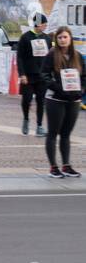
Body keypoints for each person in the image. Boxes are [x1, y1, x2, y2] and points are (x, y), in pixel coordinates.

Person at [43, 26, 84, 179]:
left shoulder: (78, 56)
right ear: (56, 39)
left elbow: (84, 77)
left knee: (66, 134)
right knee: (53, 133)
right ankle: (53, 166)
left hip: (73, 99)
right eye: (59, 37)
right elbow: (45, 75)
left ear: (70, 38)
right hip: (55, 99)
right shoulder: (51, 55)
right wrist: (58, 88)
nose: (62, 40)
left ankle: (66, 165)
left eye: (65, 37)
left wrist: (81, 91)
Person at [17, 13, 53, 136]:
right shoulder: (25, 38)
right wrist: (22, 74)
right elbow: (20, 57)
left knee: (41, 101)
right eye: (44, 24)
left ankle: (39, 126)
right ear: (38, 24)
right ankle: (26, 119)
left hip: (42, 76)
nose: (45, 26)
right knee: (26, 100)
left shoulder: (47, 39)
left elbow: (50, 57)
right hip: (28, 75)